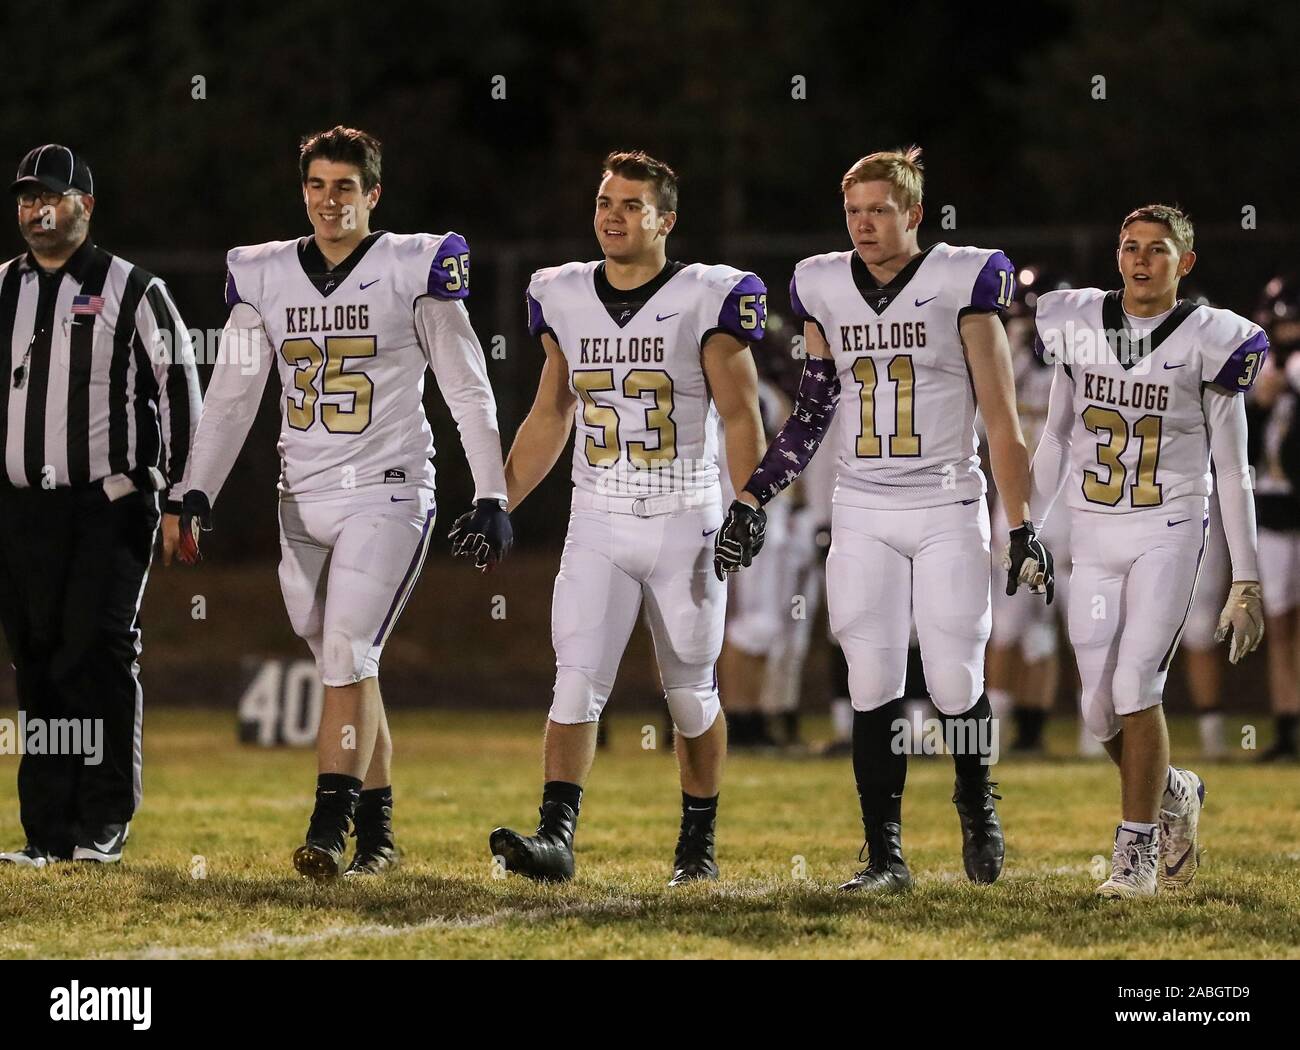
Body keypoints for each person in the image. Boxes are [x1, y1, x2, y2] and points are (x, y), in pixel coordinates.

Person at [176, 126, 510, 879]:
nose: (331, 201)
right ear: (303, 191)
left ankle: (328, 828)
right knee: (349, 666)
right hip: (301, 496)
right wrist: (194, 486)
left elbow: (465, 385)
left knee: (347, 653)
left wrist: (491, 489)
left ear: (373, 194)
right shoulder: (263, 273)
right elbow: (232, 396)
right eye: (319, 186)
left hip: (389, 489)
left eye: (345, 188)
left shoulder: (408, 266)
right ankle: (379, 837)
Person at [723, 146, 1051, 893]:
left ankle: (976, 798)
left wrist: (1022, 523)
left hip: (946, 501)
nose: (864, 225)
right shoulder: (822, 285)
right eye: (853, 212)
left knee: (952, 674)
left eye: (878, 210)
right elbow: (809, 416)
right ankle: (884, 853)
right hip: (863, 504)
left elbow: (1002, 418)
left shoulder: (961, 280)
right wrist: (753, 494)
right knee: (870, 679)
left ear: (913, 214)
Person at [488, 150, 767, 884]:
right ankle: (555, 838)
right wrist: (498, 501)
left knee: (689, 691)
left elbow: (741, 414)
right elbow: (551, 411)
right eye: (605, 201)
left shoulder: (710, 295)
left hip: (687, 516)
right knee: (576, 680)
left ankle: (697, 845)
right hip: (600, 516)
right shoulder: (563, 294)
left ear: (665, 220)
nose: (612, 216)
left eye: (631, 205)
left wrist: (749, 501)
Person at [1028, 204, 1267, 897]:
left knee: (1138, 686)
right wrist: (1024, 526)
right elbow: (1054, 439)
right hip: (1094, 534)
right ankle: (1175, 793)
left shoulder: (1211, 338)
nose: (1141, 260)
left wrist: (1246, 579)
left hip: (1167, 528)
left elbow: (1236, 469)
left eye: (1157, 250)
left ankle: (1132, 857)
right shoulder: (1076, 325)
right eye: (1130, 247)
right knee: (1097, 713)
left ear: (1184, 263)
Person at [0, 144, 200, 867]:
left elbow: (180, 386)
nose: (34, 208)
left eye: (49, 194)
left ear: (85, 203)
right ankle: (47, 831)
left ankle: (103, 818)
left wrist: (184, 495)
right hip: (23, 511)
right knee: (39, 662)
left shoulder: (132, 289)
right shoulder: (2, 288)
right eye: (25, 196)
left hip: (110, 504)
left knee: (99, 650)